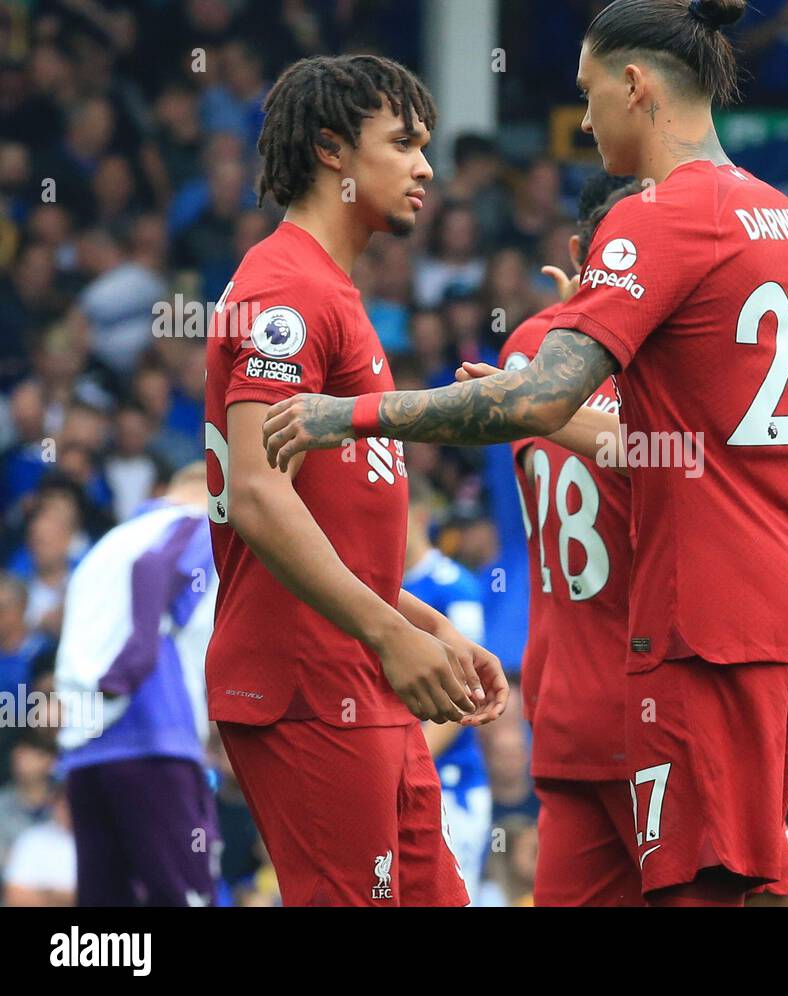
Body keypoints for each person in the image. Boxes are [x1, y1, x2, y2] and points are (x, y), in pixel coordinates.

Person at [262, 0, 788, 908]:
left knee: (706, 891)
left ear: (635, 85)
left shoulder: (658, 216)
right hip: (787, 602)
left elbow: (536, 398)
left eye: (587, 92)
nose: (582, 119)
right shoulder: (782, 217)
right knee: (752, 874)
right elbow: (686, 432)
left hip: (704, 620)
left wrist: (354, 415)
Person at [483, 171, 788, 906]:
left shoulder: (528, 349)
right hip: (656, 704)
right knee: (766, 885)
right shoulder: (658, 374)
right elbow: (668, 445)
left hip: (566, 711)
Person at [203, 54, 506, 908]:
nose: (425, 168)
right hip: (307, 682)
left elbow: (323, 527)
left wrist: (426, 625)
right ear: (334, 151)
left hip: (360, 670)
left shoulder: (331, 291)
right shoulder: (286, 290)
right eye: (404, 144)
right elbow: (260, 498)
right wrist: (391, 636)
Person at [54, 463, 219, 906]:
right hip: (150, 733)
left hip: (86, 747)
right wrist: (132, 664)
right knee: (186, 894)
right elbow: (154, 569)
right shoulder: (195, 524)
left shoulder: (106, 545)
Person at [402, 489, 492, 905]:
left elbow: (468, 697)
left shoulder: (455, 587)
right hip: (395, 771)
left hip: (448, 783)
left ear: (418, 515)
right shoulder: (370, 588)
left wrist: (403, 761)